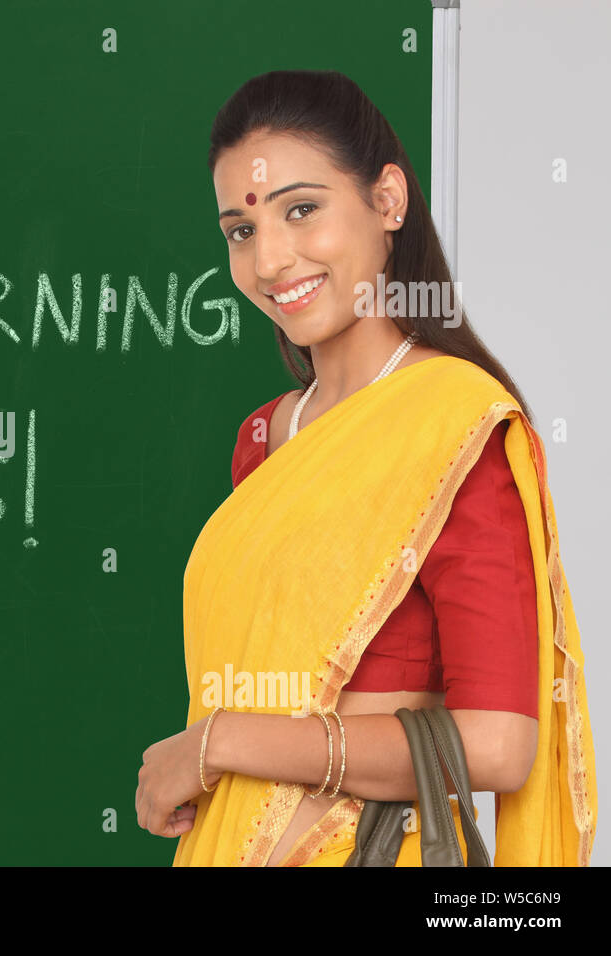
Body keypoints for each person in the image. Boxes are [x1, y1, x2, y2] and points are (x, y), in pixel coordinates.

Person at [135, 70, 596, 866]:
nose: (271, 259)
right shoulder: (264, 438)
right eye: (240, 231)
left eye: (301, 209)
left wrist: (217, 742)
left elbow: (497, 745)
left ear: (387, 201)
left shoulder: (455, 426)